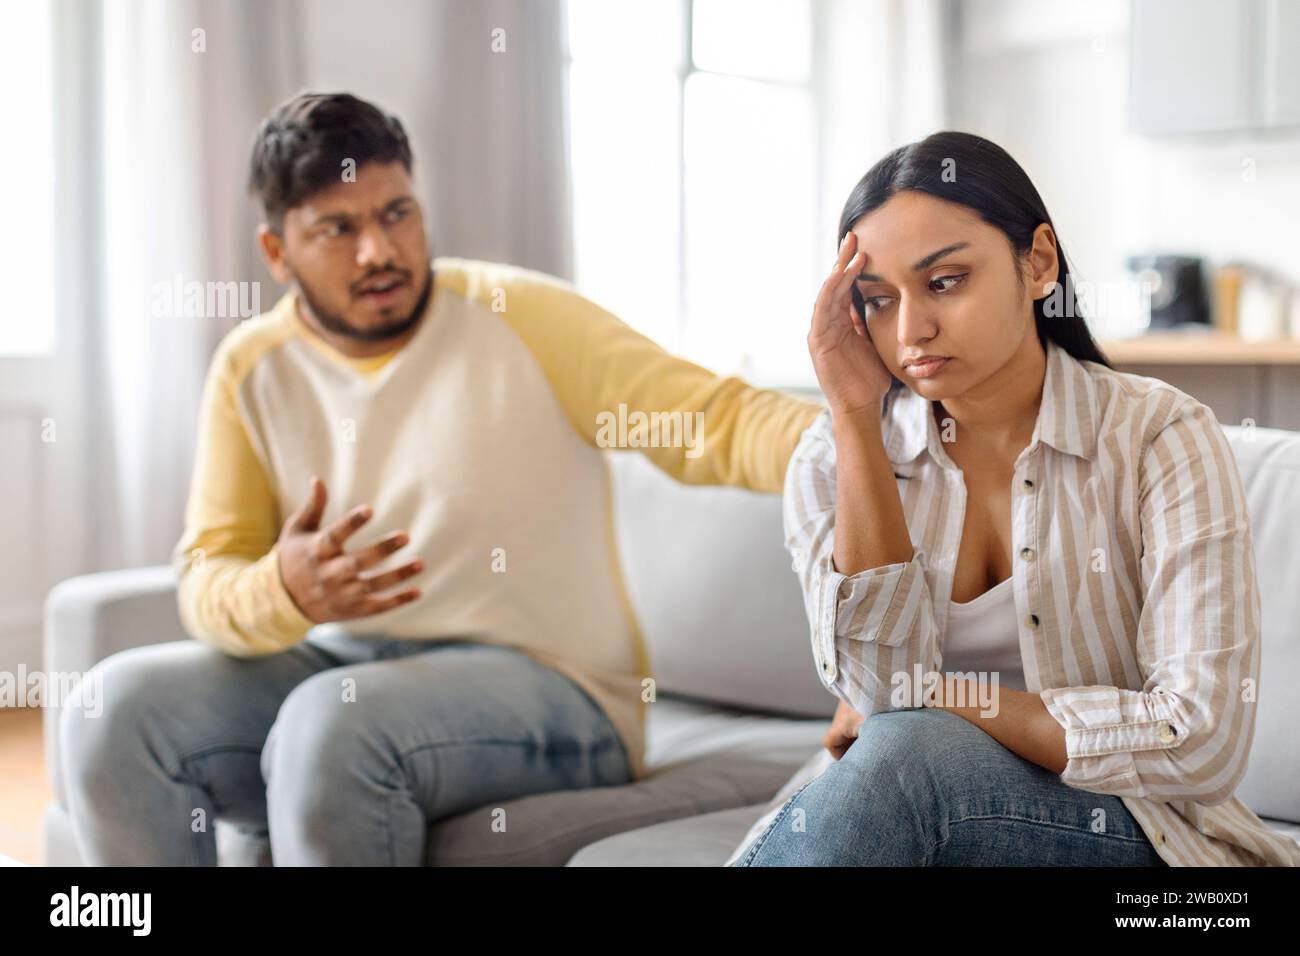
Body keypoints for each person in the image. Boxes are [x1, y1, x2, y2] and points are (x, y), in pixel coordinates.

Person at [59, 91, 821, 865]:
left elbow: (713, 420)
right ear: (277, 252)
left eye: (396, 214)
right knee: (112, 712)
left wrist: (851, 445)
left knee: (335, 725)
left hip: (558, 690)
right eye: (338, 228)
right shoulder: (251, 370)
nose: (378, 252)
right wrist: (283, 593)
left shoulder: (517, 313)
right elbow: (207, 577)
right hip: (346, 667)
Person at [733, 130, 1300, 866]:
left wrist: (940, 697)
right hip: (909, 828)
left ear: (1037, 262)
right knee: (906, 753)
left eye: (944, 282)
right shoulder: (835, 451)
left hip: (1131, 833)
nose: (911, 331)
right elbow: (876, 686)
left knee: (912, 749)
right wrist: (852, 419)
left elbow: (1199, 742)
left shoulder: (1160, 437)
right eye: (877, 301)